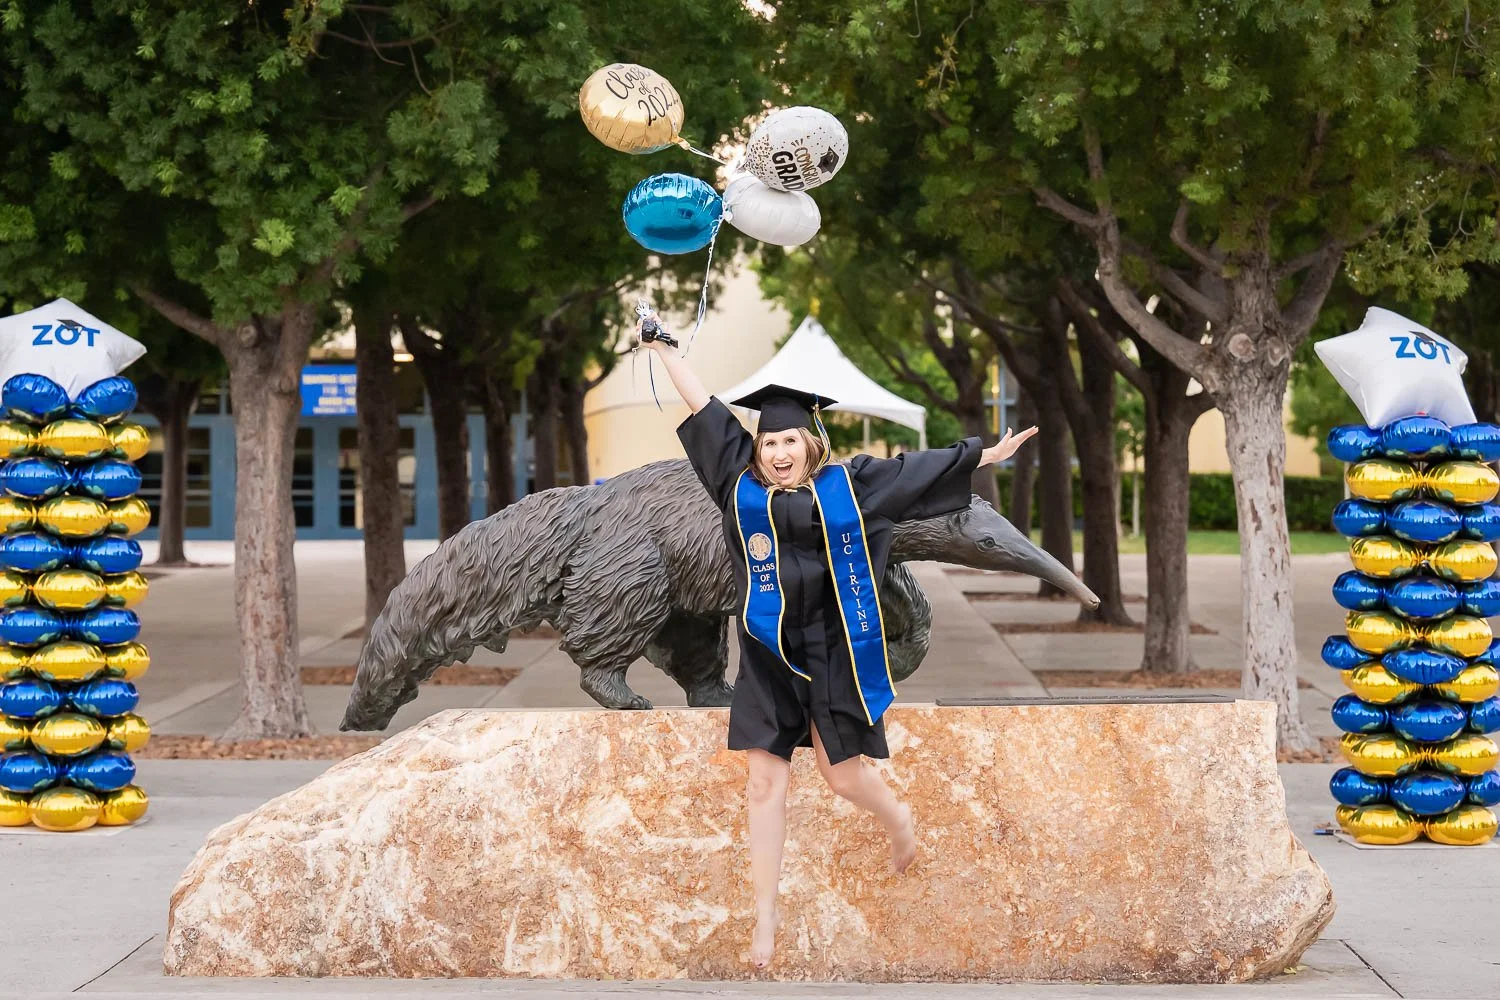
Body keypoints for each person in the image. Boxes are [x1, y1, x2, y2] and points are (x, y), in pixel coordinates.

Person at [639, 330, 1037, 968]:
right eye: (768, 441)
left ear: (810, 442)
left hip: (835, 650)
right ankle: (765, 920)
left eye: (788, 440)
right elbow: (705, 409)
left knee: (840, 773)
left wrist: (986, 454)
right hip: (768, 654)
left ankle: (897, 819)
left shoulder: (852, 485)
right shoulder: (738, 487)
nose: (776, 452)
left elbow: (920, 469)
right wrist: (663, 352)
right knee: (764, 783)